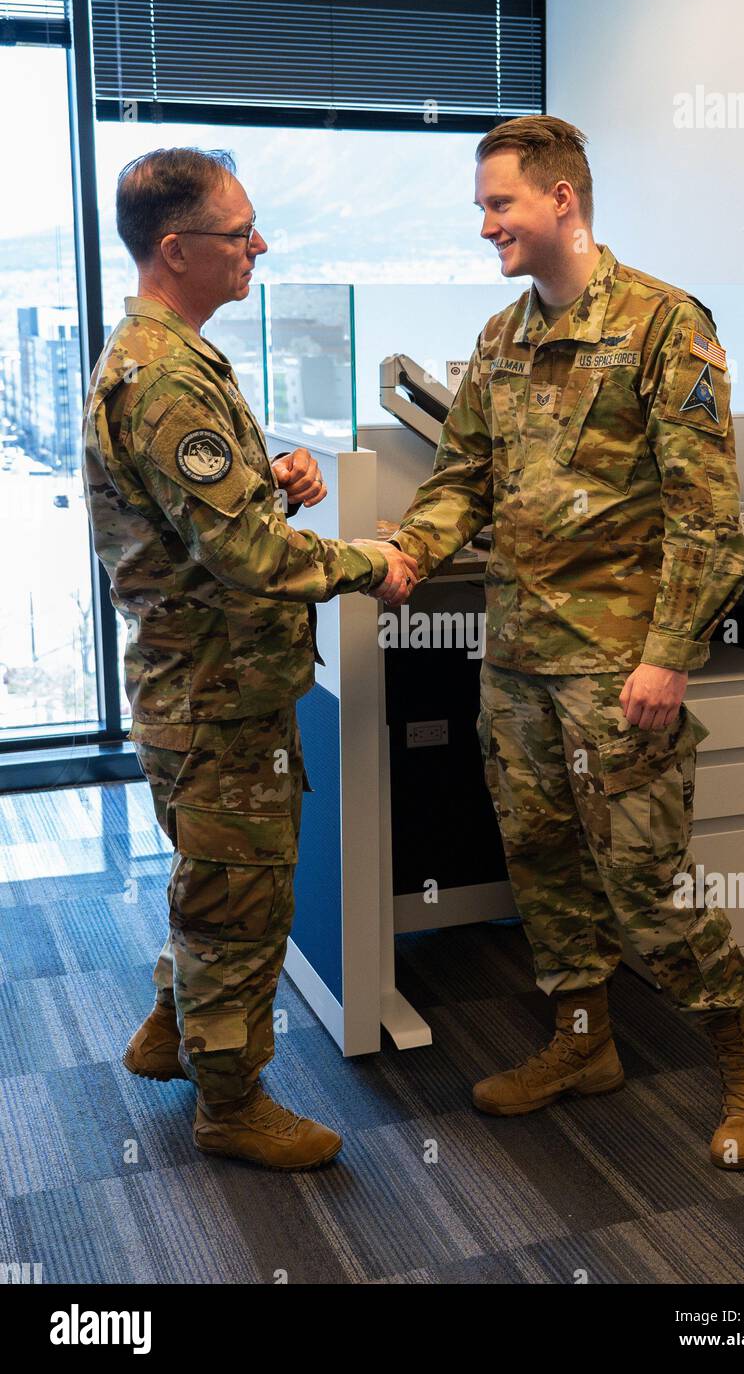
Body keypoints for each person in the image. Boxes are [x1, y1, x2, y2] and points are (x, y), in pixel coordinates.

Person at [388, 116, 744, 1171]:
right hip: (517, 661)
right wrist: (403, 559)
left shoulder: (665, 324)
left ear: (562, 199)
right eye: (482, 206)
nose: (485, 226)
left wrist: (668, 654)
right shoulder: (500, 340)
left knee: (644, 887)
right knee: (547, 867)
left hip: (618, 669)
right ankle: (582, 1041)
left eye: (499, 203)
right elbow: (461, 483)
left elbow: (707, 516)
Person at [81, 147, 417, 1171]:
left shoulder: (167, 354)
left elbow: (204, 514)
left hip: (209, 686)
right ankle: (230, 1105)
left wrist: (271, 473)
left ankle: (174, 1028)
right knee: (240, 904)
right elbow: (246, 556)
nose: (257, 247)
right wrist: (373, 561)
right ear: (176, 249)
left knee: (216, 879)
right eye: (240, 233)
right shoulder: (170, 375)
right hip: (215, 698)